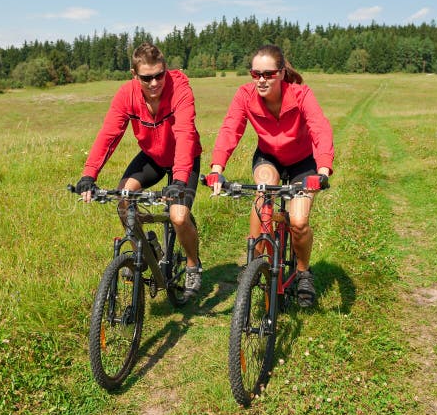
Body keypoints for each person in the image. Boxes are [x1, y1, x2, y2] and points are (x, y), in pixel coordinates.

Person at [75, 42, 204, 299]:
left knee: (178, 217)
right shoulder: (127, 95)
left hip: (184, 157)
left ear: (165, 70)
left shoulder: (180, 89)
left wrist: (179, 180)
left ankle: (192, 265)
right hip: (152, 158)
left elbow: (185, 135)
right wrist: (89, 175)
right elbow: (109, 134)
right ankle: (147, 251)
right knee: (124, 200)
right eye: (147, 78)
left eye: (159, 75)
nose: (155, 82)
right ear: (135, 76)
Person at [208, 44, 334, 307]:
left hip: (303, 162)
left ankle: (302, 272)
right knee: (263, 189)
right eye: (256, 74)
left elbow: (320, 128)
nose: (261, 80)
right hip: (269, 158)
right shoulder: (244, 95)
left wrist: (322, 170)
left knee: (298, 221)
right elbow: (231, 128)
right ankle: (255, 262)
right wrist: (217, 169)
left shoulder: (300, 94)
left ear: (280, 73)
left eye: (268, 74)